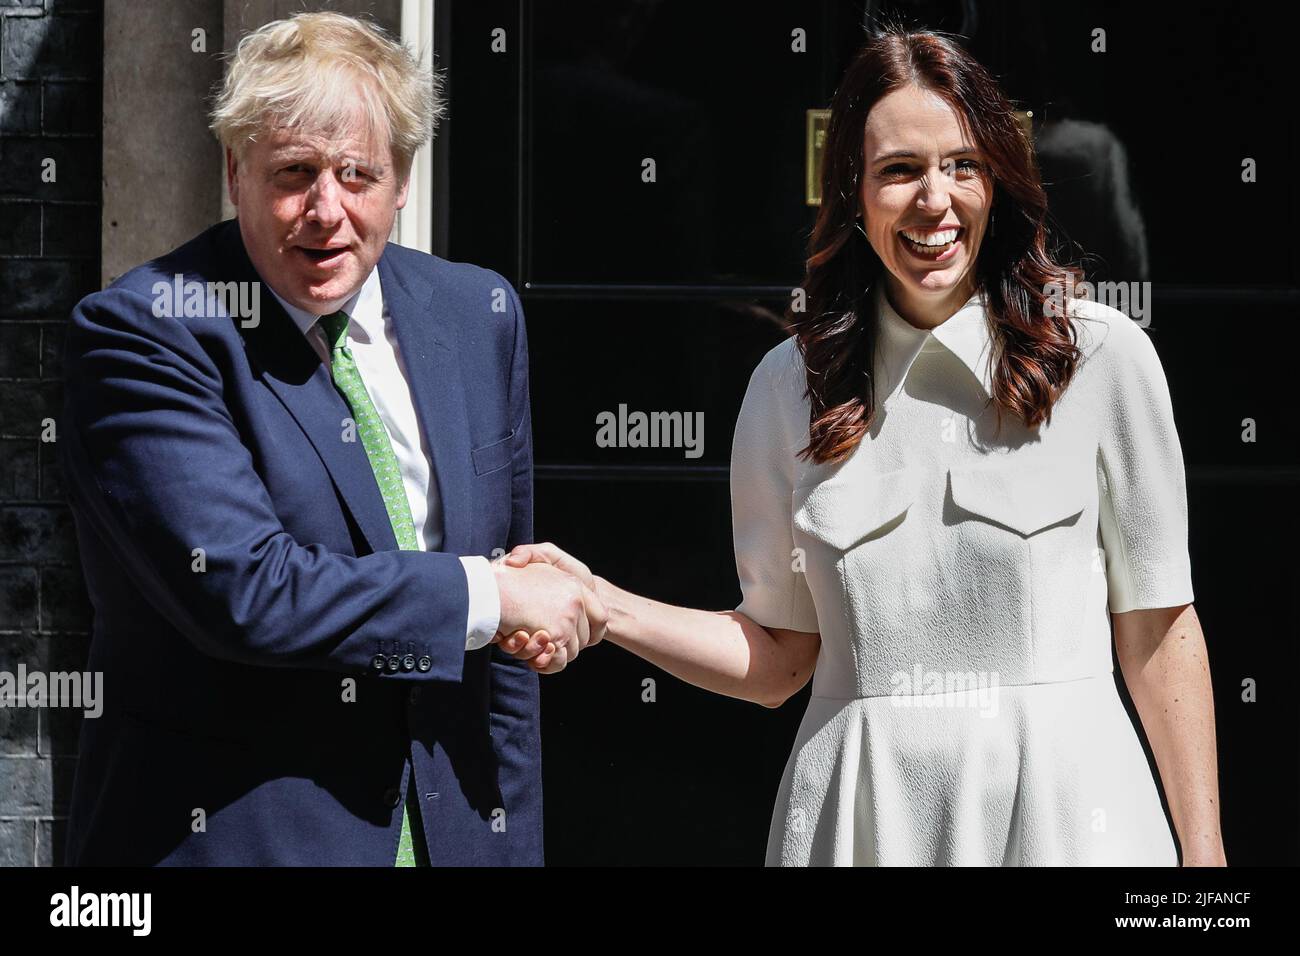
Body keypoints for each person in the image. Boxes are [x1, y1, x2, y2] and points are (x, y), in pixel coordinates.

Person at [503, 26, 1227, 866]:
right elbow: (776, 658)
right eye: (899, 171)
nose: (936, 200)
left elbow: (1159, 628)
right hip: (862, 824)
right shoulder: (786, 387)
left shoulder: (1101, 358)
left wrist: (1203, 859)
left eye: (963, 164)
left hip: (1072, 820)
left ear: (999, 178)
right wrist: (602, 605)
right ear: (850, 190)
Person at [60, 11, 603, 866]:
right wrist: (489, 598)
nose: (327, 211)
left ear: (402, 181)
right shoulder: (146, 331)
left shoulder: (475, 315)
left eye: (358, 174)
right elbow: (244, 589)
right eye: (294, 174)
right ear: (233, 172)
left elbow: (504, 638)